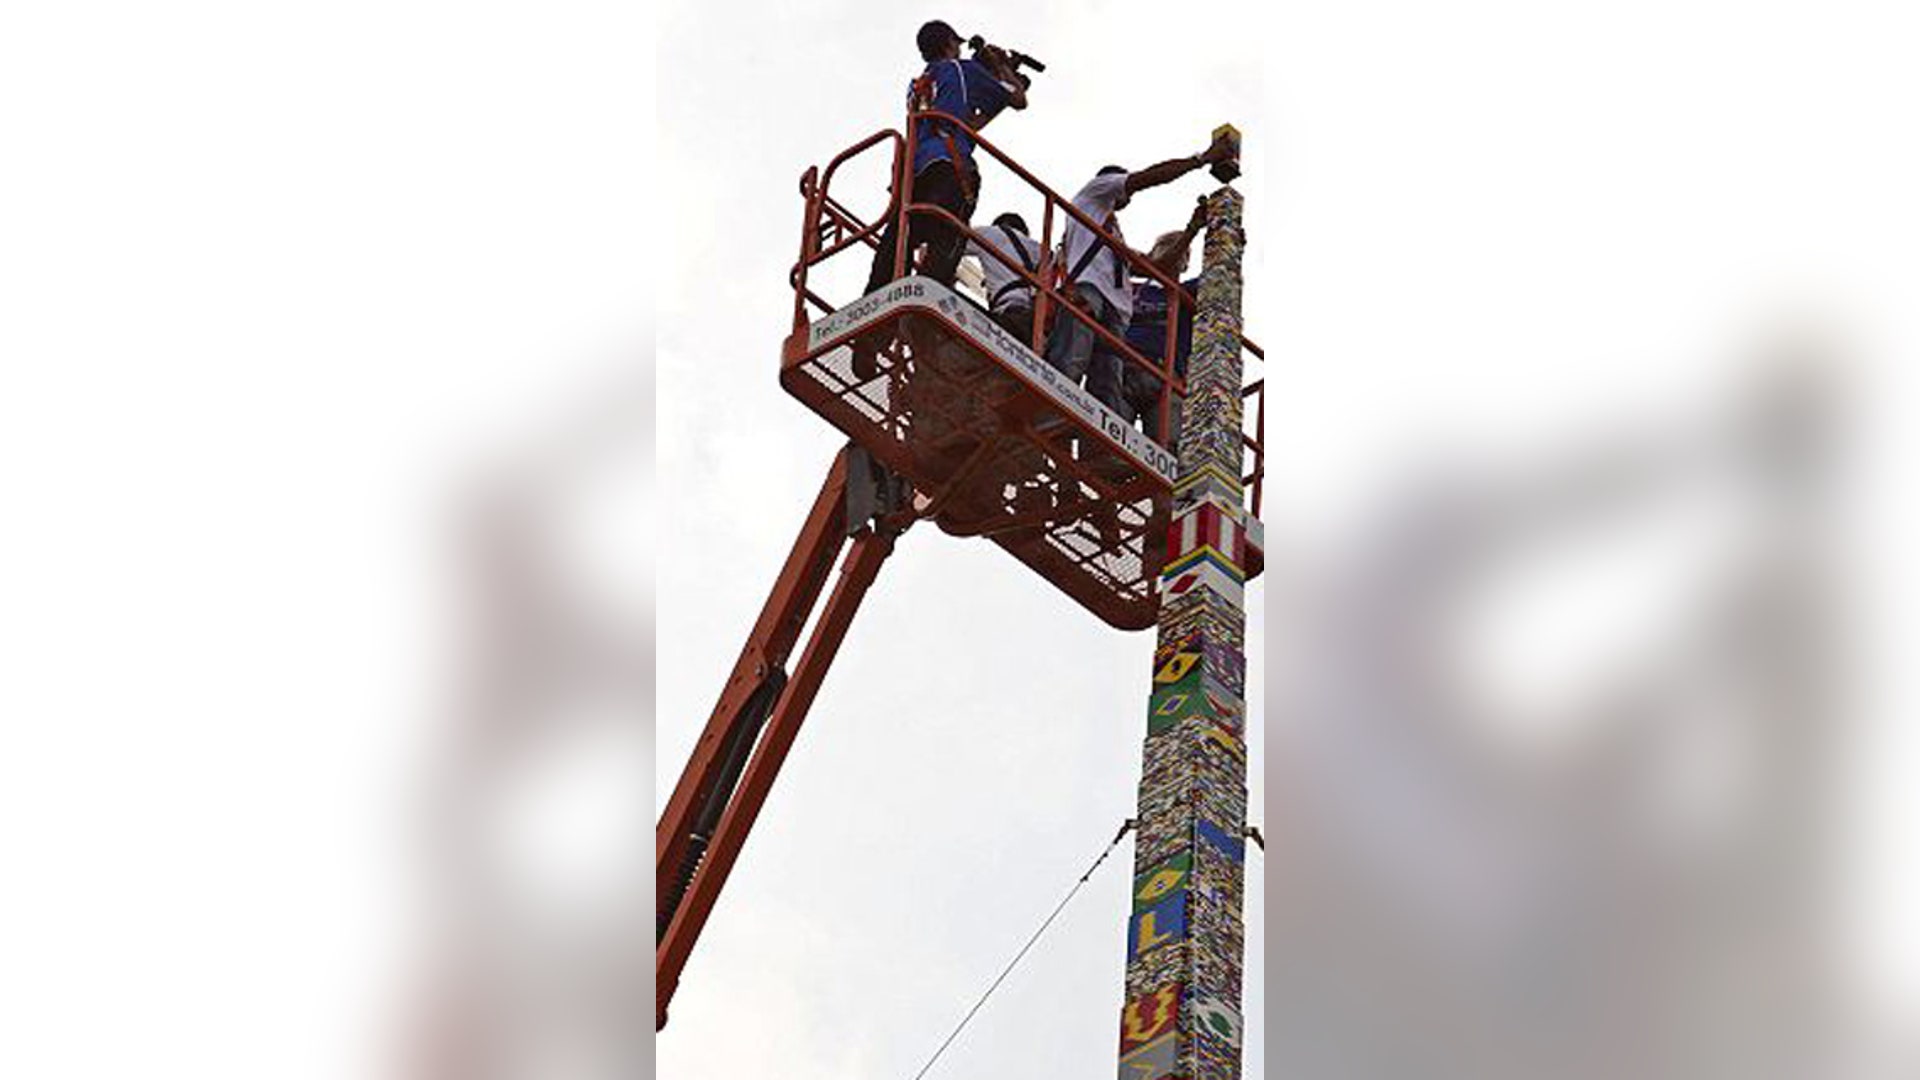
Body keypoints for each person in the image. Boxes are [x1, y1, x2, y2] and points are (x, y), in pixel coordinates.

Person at [853, 20, 1027, 380]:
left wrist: (989, 71)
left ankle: (870, 338)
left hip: (915, 171)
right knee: (945, 246)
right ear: (950, 43)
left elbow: (968, 120)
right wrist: (1001, 66)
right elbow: (1017, 97)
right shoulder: (960, 70)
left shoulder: (920, 83)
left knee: (894, 249)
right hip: (949, 166)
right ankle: (922, 324)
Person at [1043, 140, 1232, 413]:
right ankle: (1048, 414)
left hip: (1115, 311)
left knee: (1105, 391)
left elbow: (1154, 268)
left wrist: (1192, 228)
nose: (1128, 198)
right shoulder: (1095, 193)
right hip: (1090, 293)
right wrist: (1201, 159)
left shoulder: (1108, 229)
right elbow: (1148, 178)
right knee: (1070, 363)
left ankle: (1098, 451)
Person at [1121, 203, 1207, 449]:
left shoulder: (1187, 293)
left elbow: (1219, 278)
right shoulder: (1130, 288)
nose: (1178, 254)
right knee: (1105, 446)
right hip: (1123, 368)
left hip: (1167, 377)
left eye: (1185, 253)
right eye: (1166, 247)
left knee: (1168, 451)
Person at [965, 212, 1044, 347]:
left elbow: (952, 241)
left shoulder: (990, 234)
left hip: (1008, 314)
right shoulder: (1037, 248)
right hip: (1035, 324)